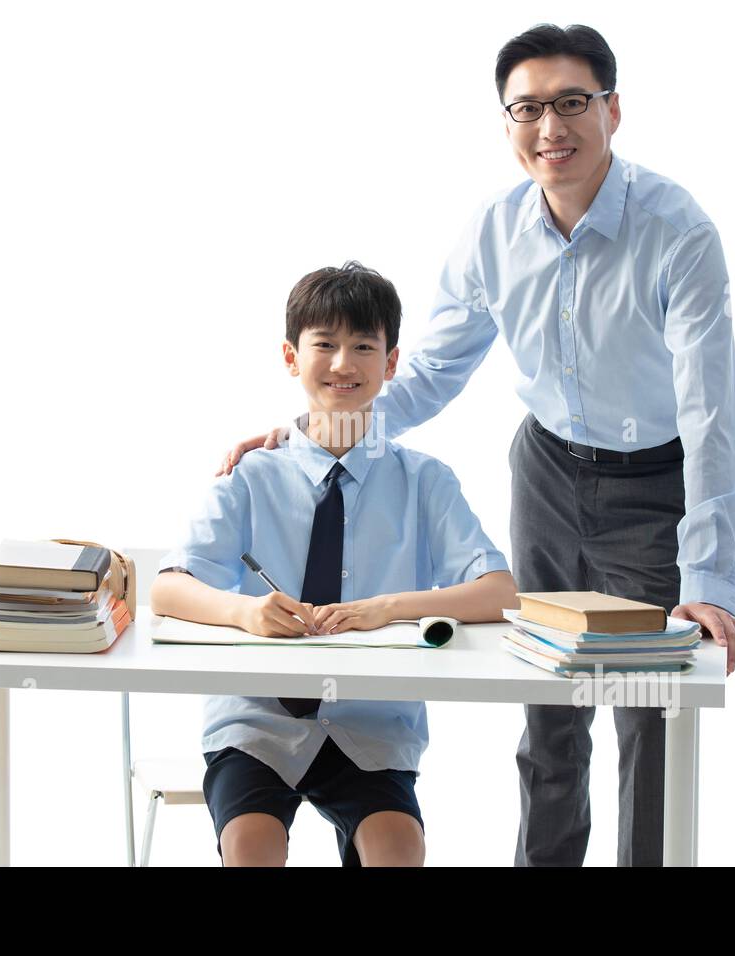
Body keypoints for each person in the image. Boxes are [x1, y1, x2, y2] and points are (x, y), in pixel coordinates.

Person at [217, 24, 735, 867]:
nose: (552, 128)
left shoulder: (676, 229)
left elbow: (713, 410)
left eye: (573, 103)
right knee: (549, 704)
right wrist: (306, 433)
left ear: (613, 110)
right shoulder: (492, 232)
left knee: (649, 708)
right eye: (528, 108)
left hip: (656, 480)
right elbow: (426, 375)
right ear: (507, 122)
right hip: (546, 471)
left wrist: (710, 577)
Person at [152, 261, 517, 867]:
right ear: (292, 357)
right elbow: (168, 591)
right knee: (251, 847)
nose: (344, 363)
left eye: (363, 346)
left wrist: (388, 608)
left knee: (398, 849)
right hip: (258, 720)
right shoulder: (250, 476)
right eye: (324, 344)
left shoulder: (424, 481)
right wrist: (246, 612)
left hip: (371, 721)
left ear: (391, 363)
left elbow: (499, 593)